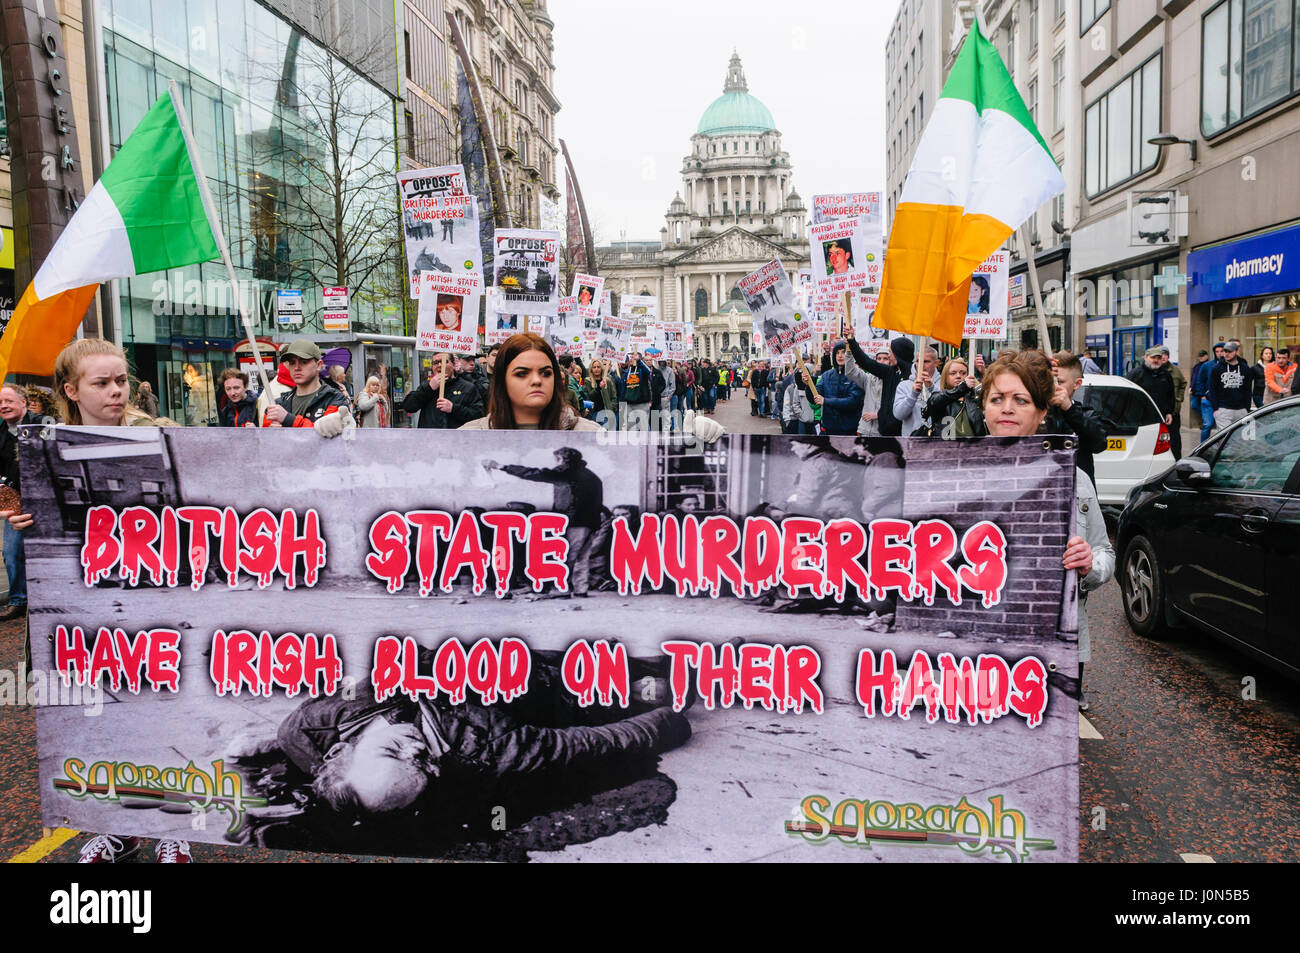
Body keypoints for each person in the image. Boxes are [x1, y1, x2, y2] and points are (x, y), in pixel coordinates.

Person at [1, 338, 192, 862]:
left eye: (120, 381)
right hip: (81, 610)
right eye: (101, 383)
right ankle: (111, 826)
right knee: (99, 720)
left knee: (164, 716)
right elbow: (40, 515)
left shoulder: (165, 436)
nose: (115, 391)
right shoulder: (43, 447)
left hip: (157, 601)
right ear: (71, 390)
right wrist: (24, 521)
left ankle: (176, 826)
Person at [249, 647, 690, 823]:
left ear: (341, 750)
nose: (417, 748)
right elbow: (598, 743)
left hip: (497, 658)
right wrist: (669, 722)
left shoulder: (303, 730)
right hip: (560, 691)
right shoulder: (493, 752)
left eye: (391, 750)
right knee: (658, 688)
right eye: (421, 766)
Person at [981, 350, 1115, 711]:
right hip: (972, 653)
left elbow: (1106, 554)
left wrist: (1089, 564)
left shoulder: (1073, 479)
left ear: (1041, 413)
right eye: (997, 398)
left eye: (1020, 400)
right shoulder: (949, 475)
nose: (1007, 408)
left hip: (1046, 651)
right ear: (984, 409)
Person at [484, 447, 604, 598]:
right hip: (590, 522)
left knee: (566, 556)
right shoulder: (592, 477)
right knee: (582, 557)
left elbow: (536, 473)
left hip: (574, 521)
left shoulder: (567, 473)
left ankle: (561, 589)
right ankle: (580, 589)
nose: (556, 463)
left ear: (565, 460)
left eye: (558, 459)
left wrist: (502, 467)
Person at [460, 333, 603, 432]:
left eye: (546, 373)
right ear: (503, 381)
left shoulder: (591, 435)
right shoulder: (467, 439)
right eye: (522, 373)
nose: (536, 380)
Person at [262, 339, 354, 435]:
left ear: (319, 365)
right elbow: (265, 444)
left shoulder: (334, 399)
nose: (297, 367)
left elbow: (324, 438)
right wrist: (259, 432)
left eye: (304, 362)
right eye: (292, 363)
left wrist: (288, 419)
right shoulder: (279, 404)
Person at [1046, 351, 1109, 485]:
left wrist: (1069, 409)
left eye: (1060, 382)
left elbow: (1099, 443)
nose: (1054, 387)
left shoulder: (1085, 414)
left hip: (1078, 493)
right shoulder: (1039, 414)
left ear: (1077, 384)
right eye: (1050, 381)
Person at [844, 330, 912, 437]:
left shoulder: (914, 377)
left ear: (899, 353)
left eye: (890, 353)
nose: (889, 356)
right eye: (879, 358)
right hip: (883, 432)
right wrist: (852, 340)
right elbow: (865, 361)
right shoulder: (889, 372)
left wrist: (879, 415)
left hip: (902, 435)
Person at [402, 352, 485, 429]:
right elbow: (409, 407)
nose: (439, 365)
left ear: (454, 364)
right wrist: (429, 388)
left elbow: (478, 416)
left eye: (444, 361)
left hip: (457, 441)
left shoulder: (467, 387)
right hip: (429, 440)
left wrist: (453, 408)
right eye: (435, 363)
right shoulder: (427, 386)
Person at [922, 356, 983, 438]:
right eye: (953, 373)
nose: (958, 376)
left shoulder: (974, 399)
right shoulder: (939, 397)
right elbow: (934, 402)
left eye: (963, 373)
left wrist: (983, 372)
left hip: (973, 447)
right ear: (945, 377)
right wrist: (963, 387)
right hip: (946, 448)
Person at [816, 342, 865, 436]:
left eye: (843, 352)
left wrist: (826, 401)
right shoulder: (827, 375)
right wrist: (807, 384)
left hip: (849, 432)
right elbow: (815, 396)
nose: (840, 356)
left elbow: (853, 402)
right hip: (828, 430)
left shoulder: (856, 375)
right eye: (837, 353)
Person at [1126, 346, 1175, 434]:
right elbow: (1126, 395)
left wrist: (1169, 412)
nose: (1156, 360)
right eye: (1153, 357)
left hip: (1159, 416)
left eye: (1159, 358)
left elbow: (1170, 395)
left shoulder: (1166, 375)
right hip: (1140, 418)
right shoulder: (1135, 374)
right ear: (1145, 357)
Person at [892, 346, 941, 436]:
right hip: (912, 442)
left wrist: (932, 389)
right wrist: (913, 394)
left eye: (926, 361)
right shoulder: (904, 385)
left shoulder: (943, 384)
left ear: (936, 363)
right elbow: (898, 415)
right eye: (918, 361)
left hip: (938, 441)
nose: (921, 365)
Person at [1208, 340, 1252, 433]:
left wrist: (1246, 409)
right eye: (1225, 351)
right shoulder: (1216, 368)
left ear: (1236, 351)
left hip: (1241, 409)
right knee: (1224, 439)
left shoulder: (1244, 368)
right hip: (1223, 409)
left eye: (1229, 351)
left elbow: (1248, 389)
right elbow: (1212, 389)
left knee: (1241, 439)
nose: (1226, 354)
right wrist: (1216, 409)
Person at [1159, 347, 1186, 459]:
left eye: (1166, 354)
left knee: (1174, 438)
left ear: (1168, 356)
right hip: (1158, 412)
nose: (1163, 357)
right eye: (1161, 355)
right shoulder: (1155, 370)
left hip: (1173, 411)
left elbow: (1183, 383)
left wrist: (1179, 398)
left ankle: (1177, 460)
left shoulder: (1175, 370)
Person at [1188, 348, 1215, 443]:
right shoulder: (1196, 366)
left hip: (1206, 395)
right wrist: (1191, 387)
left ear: (1207, 356)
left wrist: (1203, 394)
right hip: (1196, 392)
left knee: (1207, 423)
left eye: (1202, 356)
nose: (1201, 358)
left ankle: (1207, 418)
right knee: (1194, 405)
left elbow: (1204, 380)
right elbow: (1194, 378)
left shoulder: (1209, 365)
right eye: (1199, 356)